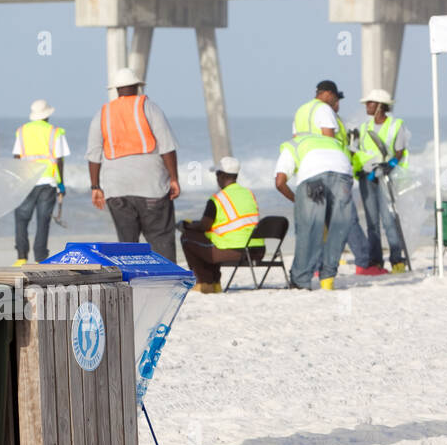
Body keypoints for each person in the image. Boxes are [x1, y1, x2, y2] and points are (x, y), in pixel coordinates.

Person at [87, 67, 181, 261]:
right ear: (138, 87)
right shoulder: (149, 107)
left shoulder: (102, 113)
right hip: (152, 187)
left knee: (127, 244)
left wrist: (95, 186)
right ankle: (165, 286)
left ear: (116, 89)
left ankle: (132, 286)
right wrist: (174, 179)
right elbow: (167, 146)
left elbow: (94, 154)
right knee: (160, 239)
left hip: (117, 189)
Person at [276, 132, 354, 290]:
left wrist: (298, 201)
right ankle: (328, 278)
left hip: (313, 177)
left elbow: (280, 182)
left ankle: (300, 281)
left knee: (309, 229)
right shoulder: (331, 142)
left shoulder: (292, 144)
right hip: (343, 171)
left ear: (295, 134)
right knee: (338, 227)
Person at [178, 157, 265, 293]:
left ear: (222, 175)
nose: (216, 178)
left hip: (234, 252)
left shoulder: (217, 199)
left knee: (188, 237)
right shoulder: (249, 194)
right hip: (257, 250)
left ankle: (205, 283)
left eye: (217, 174)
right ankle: (214, 283)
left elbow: (204, 226)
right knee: (209, 242)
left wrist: (187, 226)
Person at [346, 89, 410, 275]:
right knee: (372, 222)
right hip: (367, 177)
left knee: (389, 220)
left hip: (386, 177)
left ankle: (397, 260)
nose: (367, 106)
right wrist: (351, 146)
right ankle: (376, 261)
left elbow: (399, 152)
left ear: (380, 106)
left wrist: (390, 165)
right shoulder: (364, 127)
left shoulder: (396, 125)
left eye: (370, 103)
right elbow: (358, 152)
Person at [11, 99, 69, 265]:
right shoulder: (55, 132)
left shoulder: (22, 131)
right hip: (48, 181)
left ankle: (21, 256)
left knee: (22, 218)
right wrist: (61, 184)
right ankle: (40, 257)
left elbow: (16, 157)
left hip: (27, 180)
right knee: (43, 220)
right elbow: (59, 160)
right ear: (47, 115)